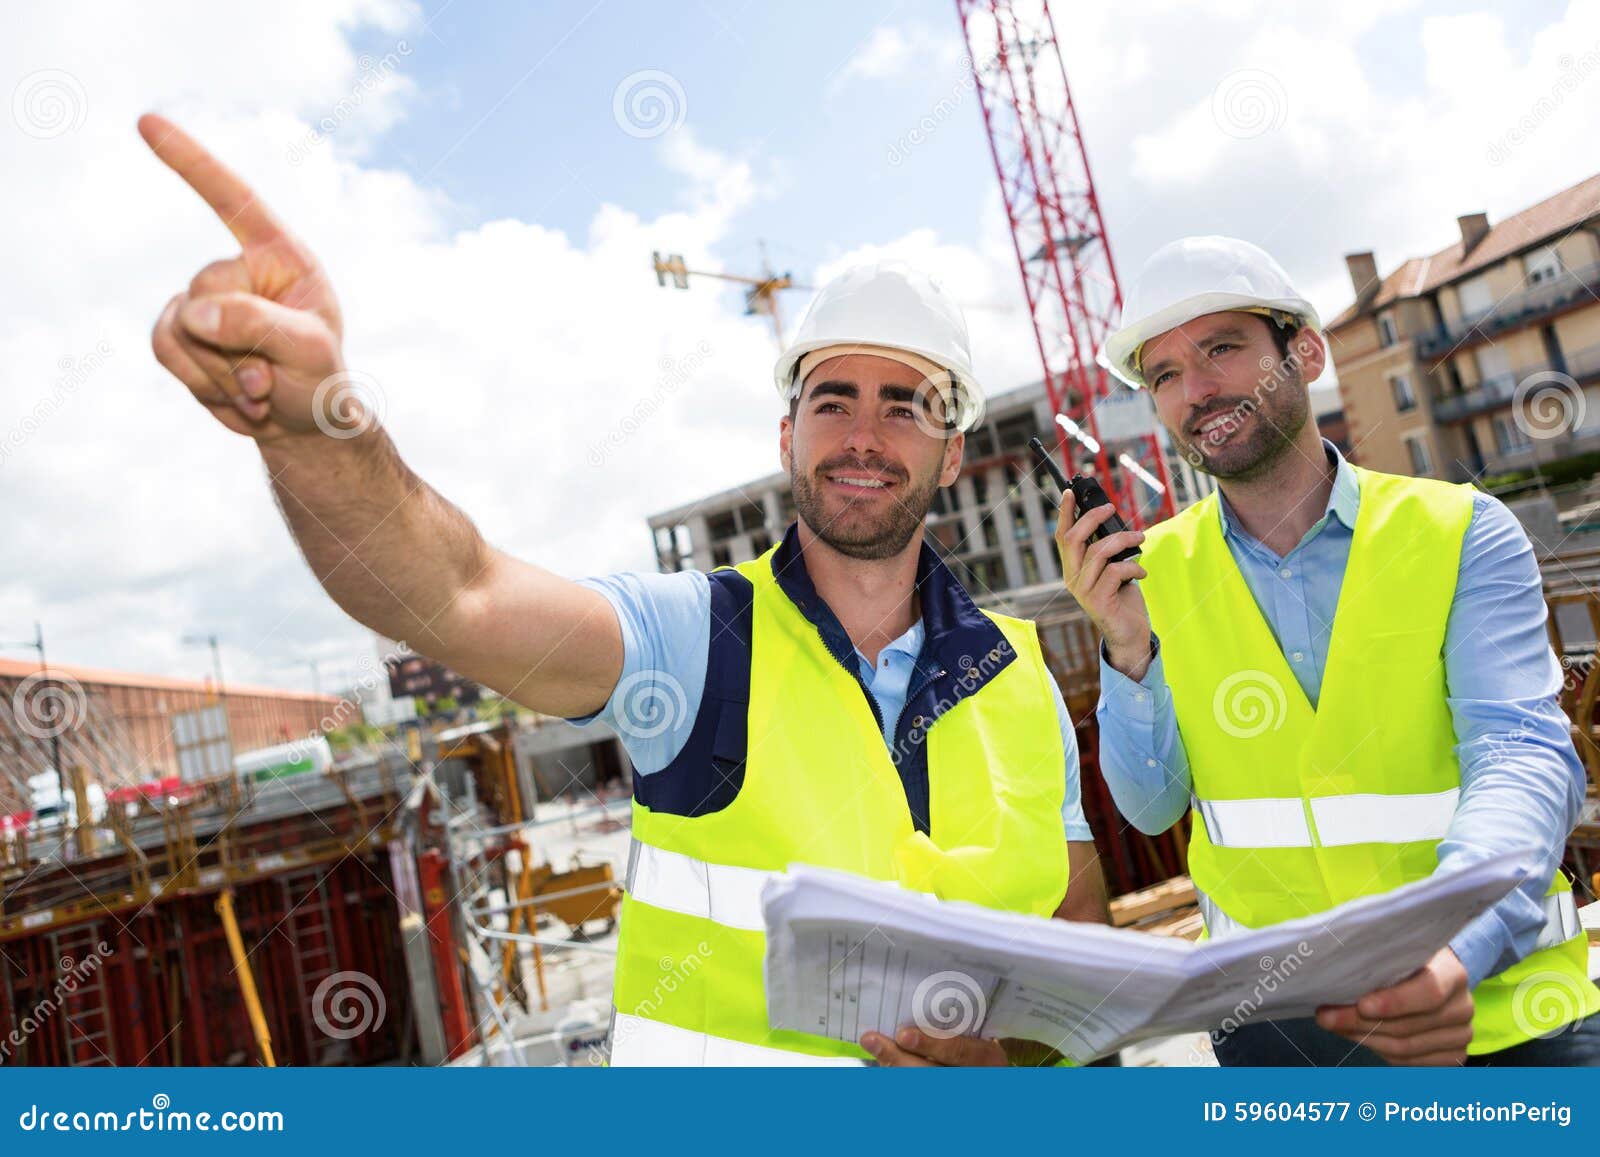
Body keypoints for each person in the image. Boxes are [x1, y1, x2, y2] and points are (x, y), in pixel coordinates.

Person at [138, 114, 1107, 1068]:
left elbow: (1078, 939)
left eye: (904, 407)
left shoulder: (1017, 676)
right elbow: (452, 593)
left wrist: (1010, 1066)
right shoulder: (695, 640)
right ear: (786, 437)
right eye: (832, 400)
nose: (863, 434)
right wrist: (315, 428)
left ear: (949, 456)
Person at [1058, 234, 1600, 1066]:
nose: (1196, 390)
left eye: (1223, 349)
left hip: (1501, 1009)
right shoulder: (1147, 576)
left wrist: (1457, 946)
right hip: (1279, 1037)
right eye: (1165, 374)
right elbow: (1152, 808)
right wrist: (1127, 647)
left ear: (1304, 353)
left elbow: (1522, 757)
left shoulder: (1458, 531)